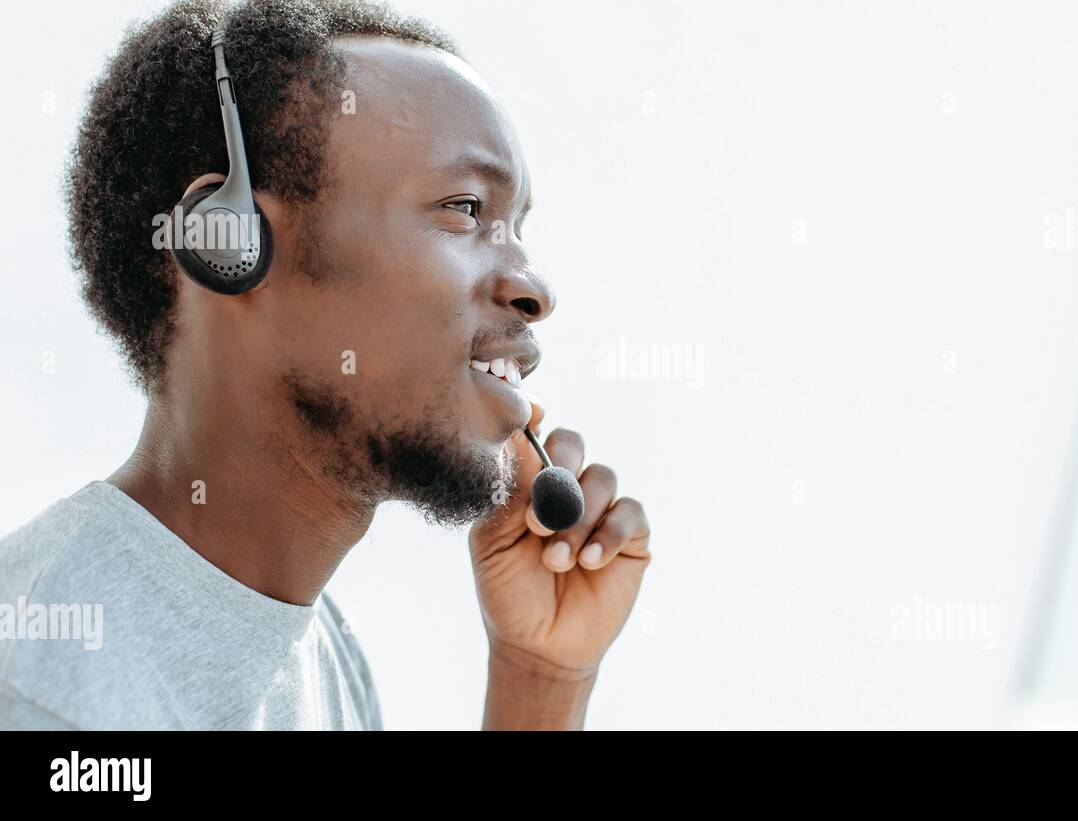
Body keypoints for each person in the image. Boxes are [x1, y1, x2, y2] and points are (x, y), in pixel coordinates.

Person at [0, 0, 651, 730]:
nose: (534, 287)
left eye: (517, 227)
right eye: (465, 208)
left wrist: (541, 677)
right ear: (231, 245)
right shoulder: (49, 683)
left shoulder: (320, 655)